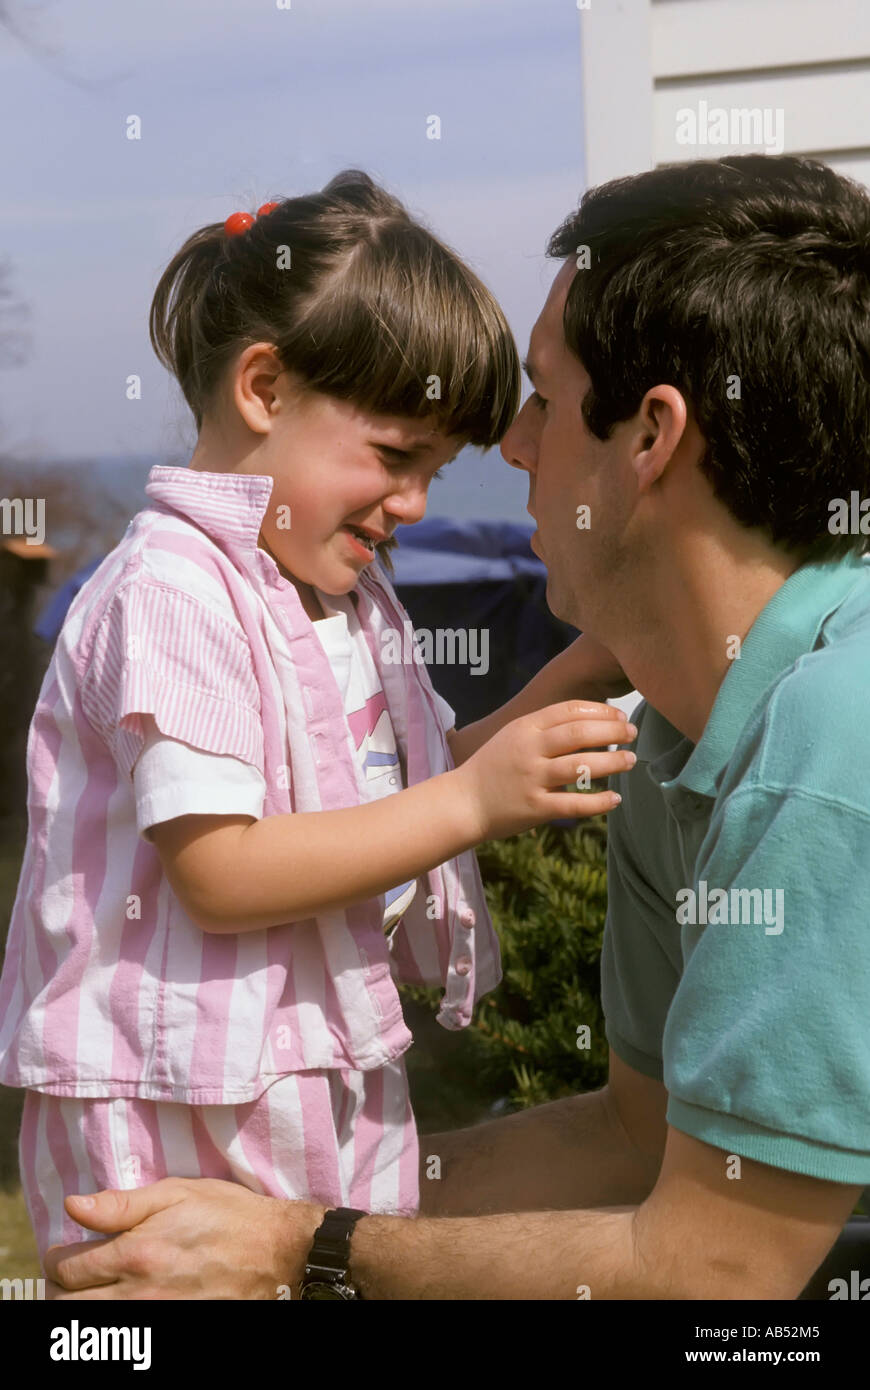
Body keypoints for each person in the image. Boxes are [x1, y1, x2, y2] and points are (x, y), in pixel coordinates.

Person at [44, 153, 870, 1300]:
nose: (510, 453)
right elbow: (641, 1138)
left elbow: (714, 1273)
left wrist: (302, 1246)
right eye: (400, 455)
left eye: (539, 399)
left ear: (650, 438)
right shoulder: (689, 741)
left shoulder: (832, 747)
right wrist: (267, 1218)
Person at [0, 170, 636, 1268]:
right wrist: (475, 802)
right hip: (175, 1111)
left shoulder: (341, 597)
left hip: (306, 1081)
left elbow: (414, 787)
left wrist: (602, 655)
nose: (416, 506)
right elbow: (223, 867)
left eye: (435, 470)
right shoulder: (174, 592)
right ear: (262, 388)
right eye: (395, 456)